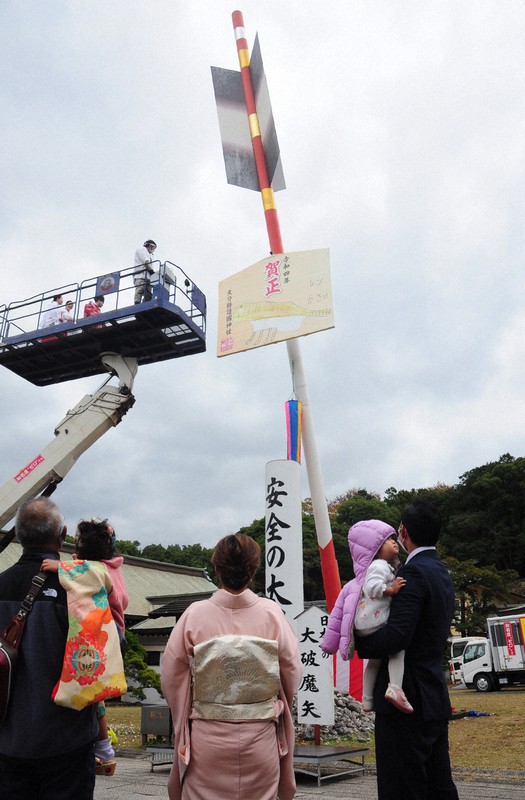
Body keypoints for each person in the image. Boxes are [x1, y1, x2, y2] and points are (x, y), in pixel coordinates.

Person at [161, 533, 302, 800]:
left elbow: (171, 676)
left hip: (208, 739)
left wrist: (188, 708)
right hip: (260, 737)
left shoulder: (194, 614)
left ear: (216, 569)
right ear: (253, 570)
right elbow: (291, 671)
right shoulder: (272, 614)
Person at [355, 501, 459, 800]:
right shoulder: (441, 572)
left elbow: (397, 636)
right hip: (434, 694)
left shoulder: (411, 574)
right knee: (438, 785)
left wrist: (360, 643)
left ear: (403, 532)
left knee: (402, 786)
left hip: (405, 701)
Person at [0, 498, 98, 800]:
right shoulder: (80, 589)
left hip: (7, 739)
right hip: (66, 739)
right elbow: (107, 654)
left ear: (16, 534)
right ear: (63, 534)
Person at [42, 517, 128, 766]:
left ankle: (102, 745)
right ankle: (102, 744)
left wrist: (60, 566)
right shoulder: (115, 567)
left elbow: (88, 574)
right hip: (114, 636)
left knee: (89, 690)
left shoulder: (96, 570)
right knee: (95, 694)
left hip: (106, 638)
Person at [321, 519, 413, 713]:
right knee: (397, 649)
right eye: (388, 540)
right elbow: (372, 587)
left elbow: (336, 615)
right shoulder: (379, 566)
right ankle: (395, 687)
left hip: (364, 626)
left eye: (394, 538)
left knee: (375, 660)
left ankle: (367, 699)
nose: (394, 542)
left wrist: (329, 644)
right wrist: (391, 590)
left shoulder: (353, 582)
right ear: (376, 549)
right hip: (376, 621)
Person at [133, 239, 157, 304]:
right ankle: (137, 304)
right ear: (147, 245)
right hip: (140, 276)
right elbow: (146, 262)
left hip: (148, 277)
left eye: (154, 248)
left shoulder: (148, 255)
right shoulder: (142, 250)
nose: (152, 249)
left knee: (148, 293)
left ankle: (146, 304)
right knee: (140, 290)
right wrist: (151, 271)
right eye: (152, 247)